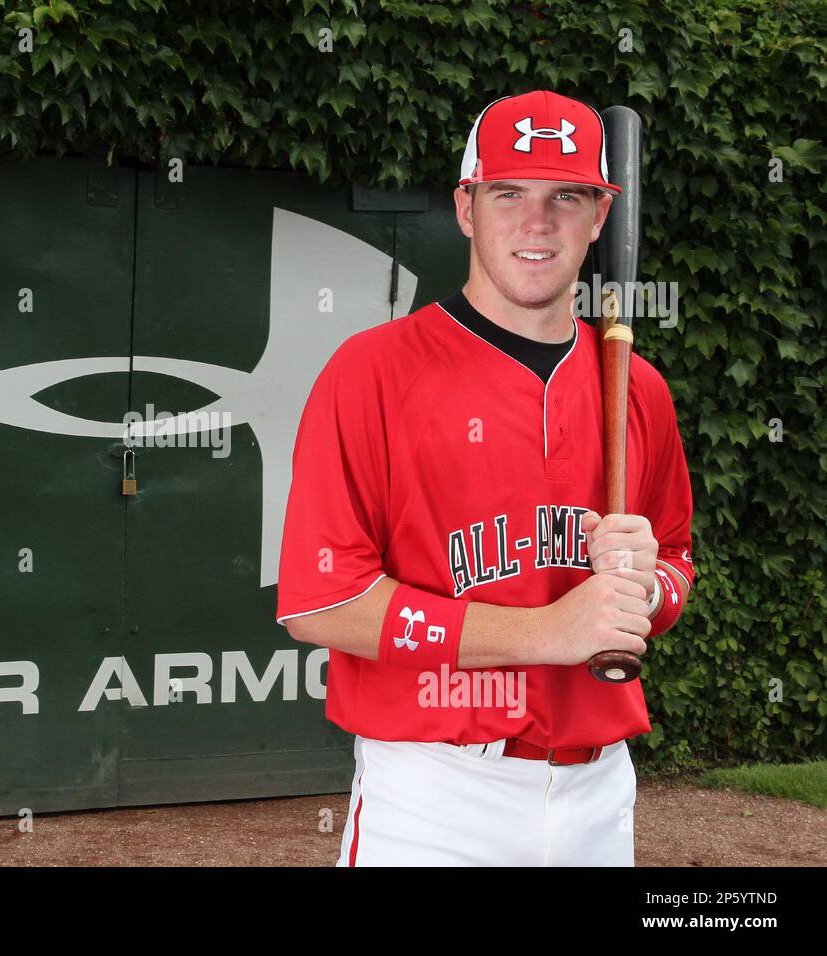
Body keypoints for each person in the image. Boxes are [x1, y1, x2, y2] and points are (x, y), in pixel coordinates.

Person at [275, 90, 696, 866]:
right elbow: (322, 601)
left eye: (568, 197)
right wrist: (545, 633)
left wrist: (647, 586)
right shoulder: (372, 373)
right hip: (436, 794)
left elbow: (673, 565)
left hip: (601, 793)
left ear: (602, 218)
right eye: (509, 194)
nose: (538, 225)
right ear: (466, 207)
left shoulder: (637, 387)